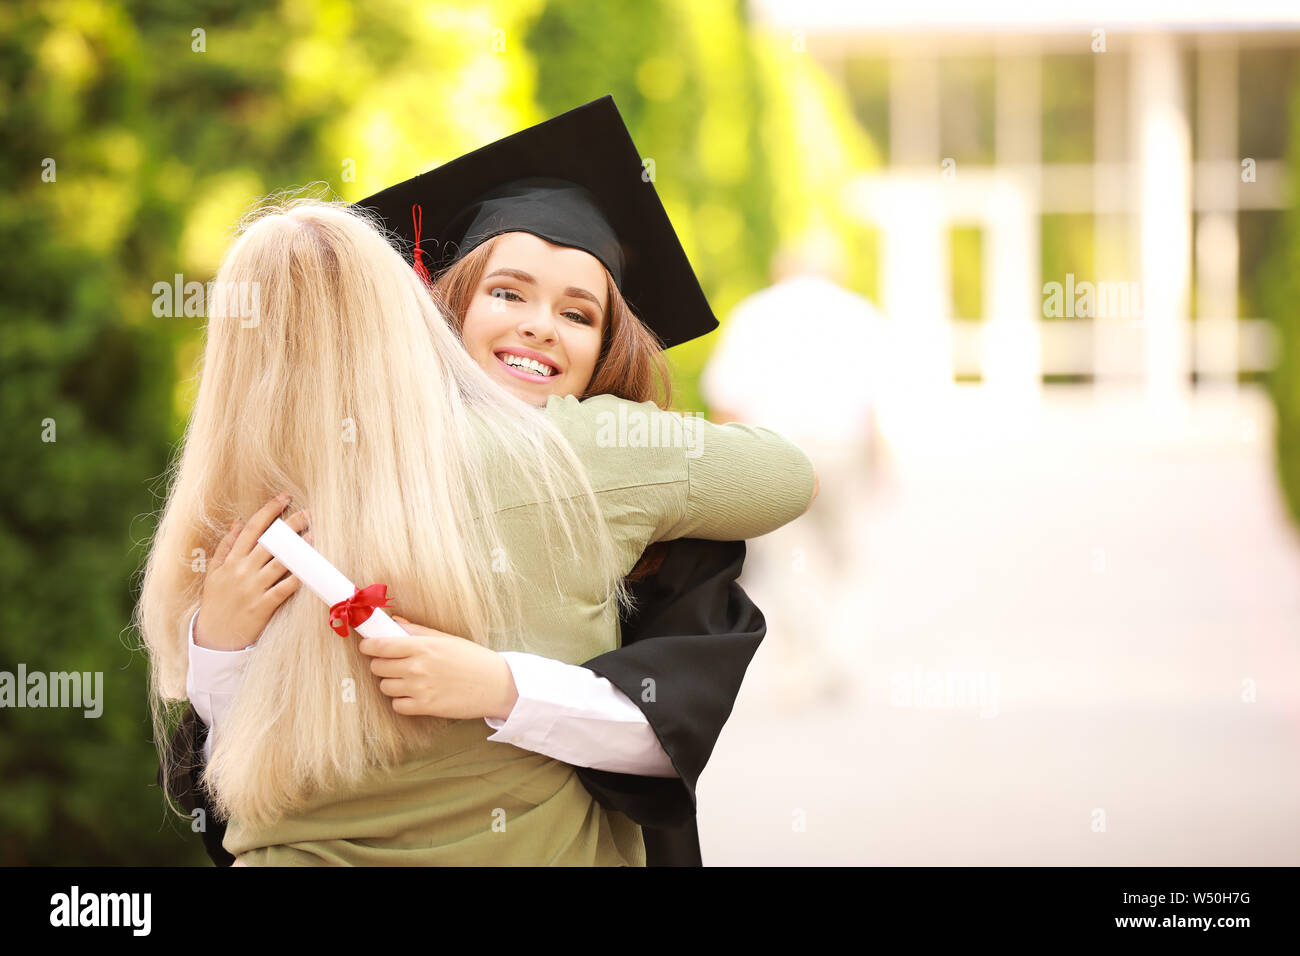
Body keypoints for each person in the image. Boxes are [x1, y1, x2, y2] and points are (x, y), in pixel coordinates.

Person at [150, 99, 817, 864]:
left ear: (607, 350)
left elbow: (664, 735)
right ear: (445, 307)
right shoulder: (315, 468)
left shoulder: (611, 458)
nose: (539, 325)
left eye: (578, 312)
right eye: (507, 293)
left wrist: (501, 686)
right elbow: (249, 754)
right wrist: (217, 646)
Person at [702, 228, 890, 707]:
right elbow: (875, 404)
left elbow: (727, 400)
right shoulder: (858, 313)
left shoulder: (753, 313)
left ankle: (811, 660)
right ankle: (837, 653)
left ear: (781, 268)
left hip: (775, 453)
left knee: (788, 561)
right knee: (849, 559)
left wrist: (731, 465)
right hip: (842, 449)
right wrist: (882, 462)